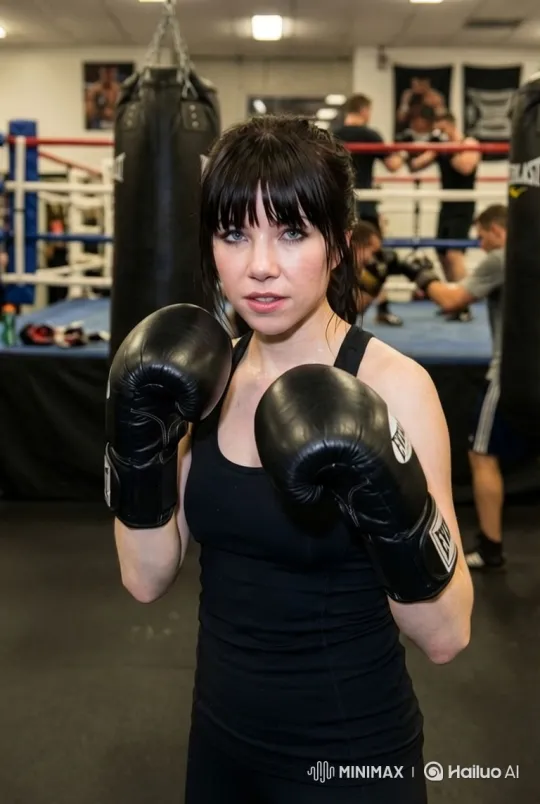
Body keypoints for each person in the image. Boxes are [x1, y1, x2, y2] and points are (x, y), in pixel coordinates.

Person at [106, 115, 474, 804]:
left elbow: (448, 633)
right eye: (235, 233)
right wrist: (138, 439)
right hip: (219, 742)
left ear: (338, 245)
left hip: (352, 757)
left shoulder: (392, 386)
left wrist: (392, 507)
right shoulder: (203, 373)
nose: (260, 266)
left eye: (292, 231)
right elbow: (145, 578)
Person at [404, 203, 530, 571]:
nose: (479, 243)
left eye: (482, 235)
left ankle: (490, 547)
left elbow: (452, 300)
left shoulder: (501, 259)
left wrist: (422, 275)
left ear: (497, 231)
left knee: (480, 453)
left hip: (509, 372)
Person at [333, 94, 404, 325]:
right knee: (376, 259)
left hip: (341, 207)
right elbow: (394, 165)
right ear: (364, 111)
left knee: (342, 258)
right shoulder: (370, 134)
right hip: (367, 206)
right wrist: (403, 150)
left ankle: (338, 308)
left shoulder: (334, 136)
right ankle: (382, 308)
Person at [409, 111, 481, 322]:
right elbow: (416, 165)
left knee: (454, 254)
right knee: (441, 253)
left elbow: (465, 167)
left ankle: (464, 304)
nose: (439, 133)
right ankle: (454, 301)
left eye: (442, 129)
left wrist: (446, 146)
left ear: (451, 126)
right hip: (446, 205)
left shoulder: (469, 142)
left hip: (463, 205)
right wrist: (427, 148)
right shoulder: (440, 145)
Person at [351, 219, 438, 325]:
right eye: (373, 252)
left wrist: (374, 283)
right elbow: (344, 314)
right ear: (355, 246)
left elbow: (354, 312)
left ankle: (383, 311)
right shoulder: (334, 271)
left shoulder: (357, 272)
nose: (371, 259)